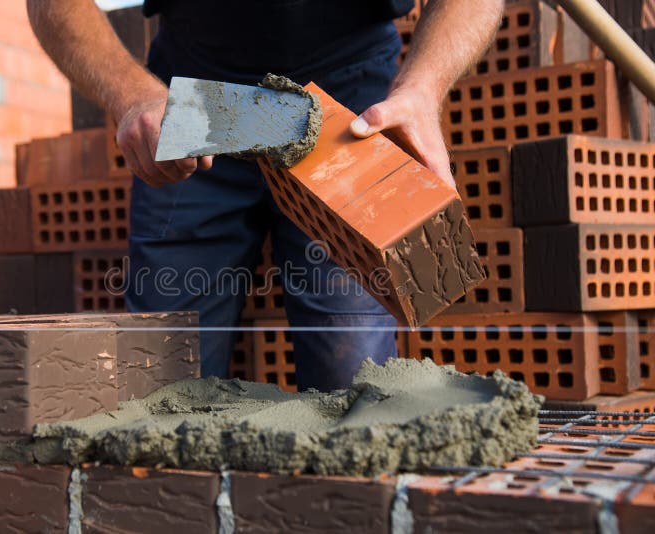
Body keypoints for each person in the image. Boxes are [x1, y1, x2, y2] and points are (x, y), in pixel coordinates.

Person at [27, 0, 505, 391]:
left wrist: (423, 89)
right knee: (161, 380)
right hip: (195, 102)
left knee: (353, 377)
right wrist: (131, 95)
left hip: (350, 100)